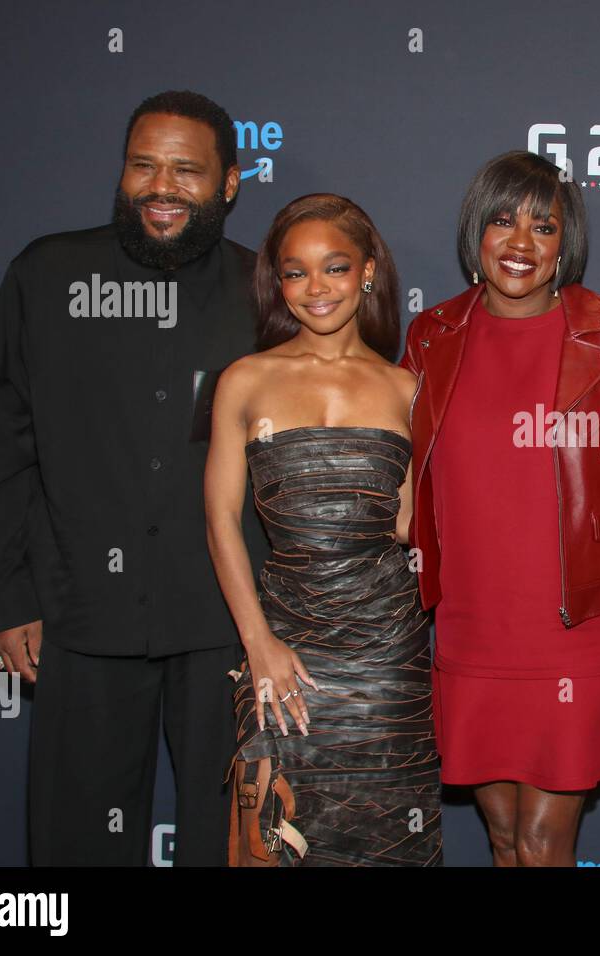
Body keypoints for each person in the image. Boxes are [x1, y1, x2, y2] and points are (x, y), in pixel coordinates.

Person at [0, 89, 268, 866]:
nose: (161, 187)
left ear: (229, 184)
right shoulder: (47, 274)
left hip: (227, 623)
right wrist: (10, 595)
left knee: (232, 844)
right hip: (81, 616)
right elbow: (3, 448)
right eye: (144, 165)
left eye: (186, 170)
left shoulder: (269, 293)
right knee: (75, 845)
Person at [401, 150, 600, 866]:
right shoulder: (432, 336)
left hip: (575, 626)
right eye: (502, 221)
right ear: (475, 233)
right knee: (506, 837)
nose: (520, 243)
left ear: (565, 242)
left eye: (543, 227)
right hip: (473, 626)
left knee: (545, 840)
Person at [204, 194, 441, 866]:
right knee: (274, 836)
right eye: (296, 272)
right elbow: (221, 517)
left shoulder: (405, 389)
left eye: (335, 268)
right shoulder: (246, 381)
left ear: (368, 271)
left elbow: (404, 524)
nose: (316, 289)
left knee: (389, 838)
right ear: (278, 282)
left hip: (387, 655)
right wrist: (259, 644)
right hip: (284, 643)